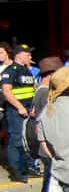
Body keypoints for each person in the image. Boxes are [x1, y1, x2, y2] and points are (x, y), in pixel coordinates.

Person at [2, 43, 41, 182]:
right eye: (27, 54)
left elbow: (31, 91)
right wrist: (19, 107)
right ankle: (16, 172)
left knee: (27, 140)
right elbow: (6, 91)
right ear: (18, 54)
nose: (30, 56)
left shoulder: (27, 70)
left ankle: (27, 168)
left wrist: (33, 108)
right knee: (16, 140)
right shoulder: (10, 70)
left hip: (28, 110)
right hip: (16, 111)